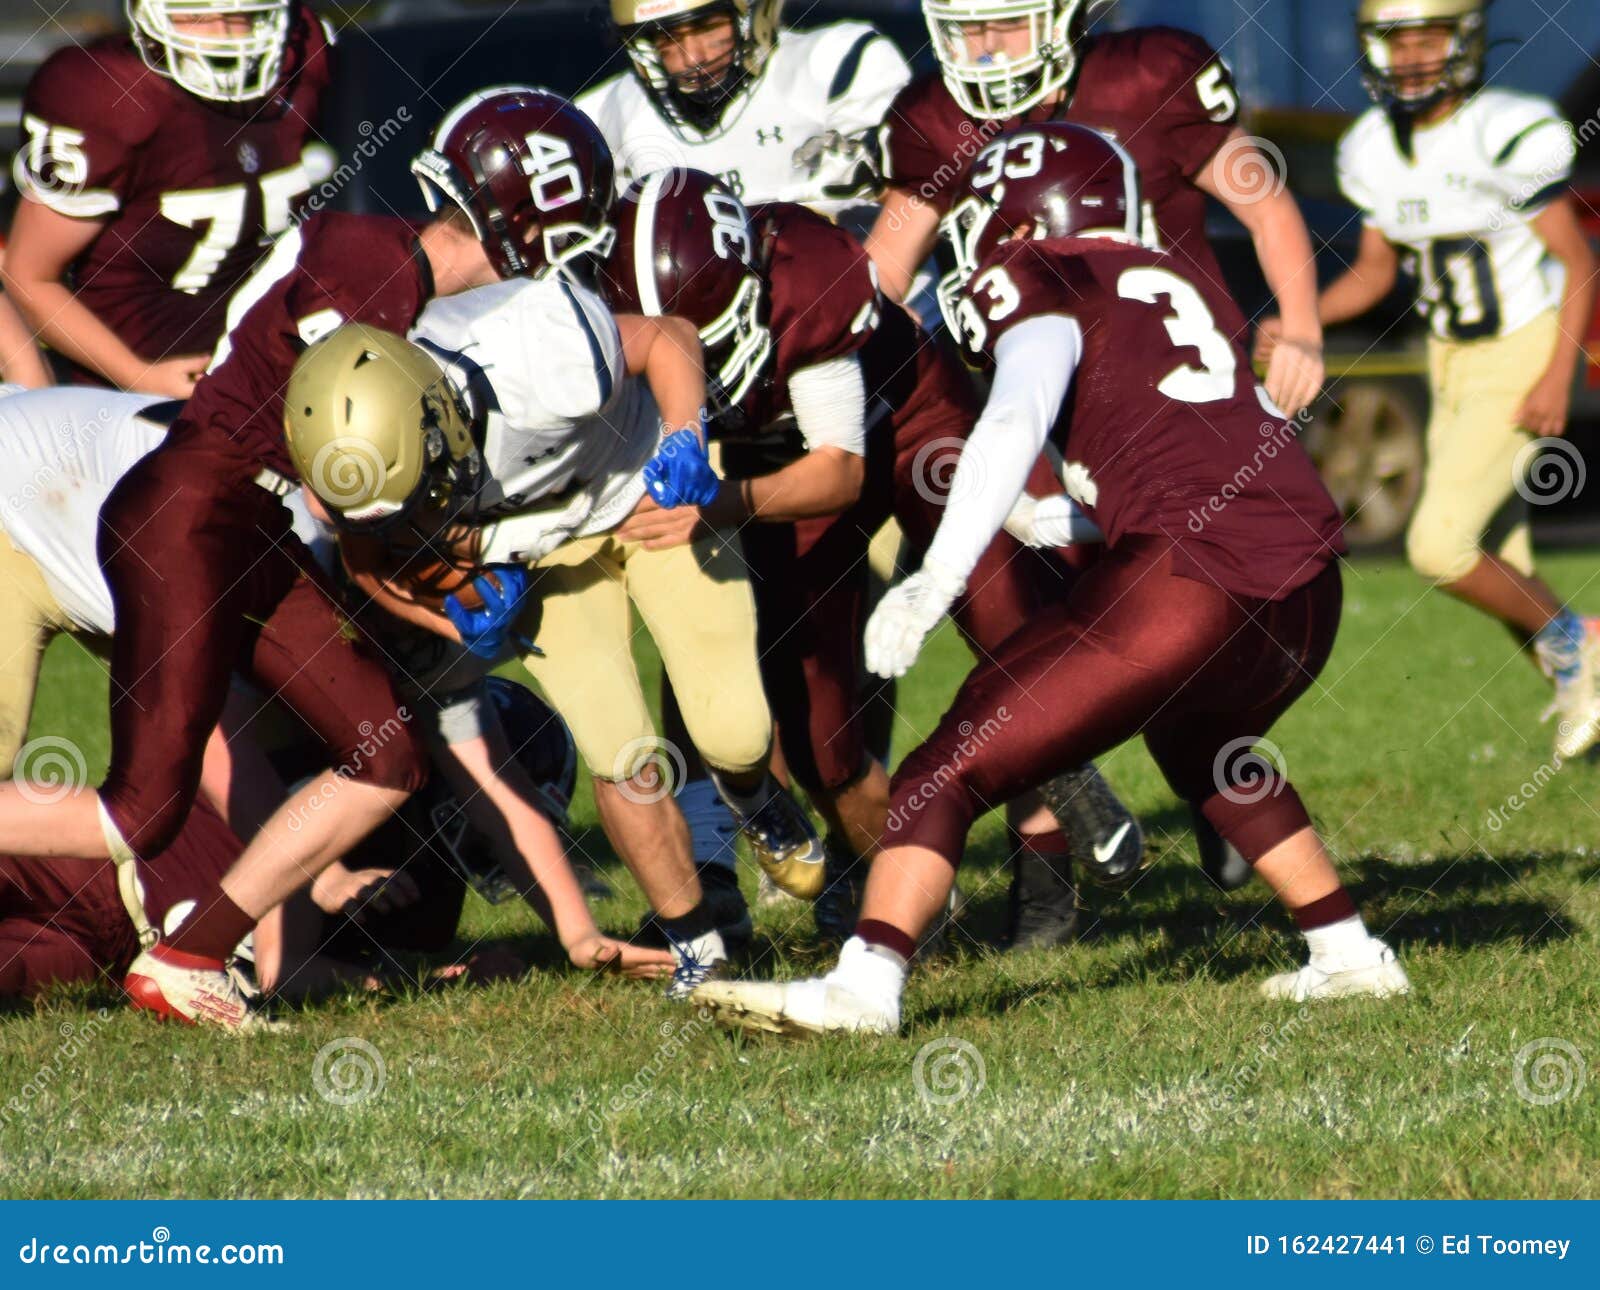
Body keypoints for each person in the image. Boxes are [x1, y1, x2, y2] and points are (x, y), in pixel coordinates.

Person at [693, 124, 1411, 1035]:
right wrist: (1042, 516)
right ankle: (1347, 950)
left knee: (942, 768)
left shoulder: (1046, 273)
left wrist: (935, 577)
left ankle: (860, 988)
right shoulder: (1174, 280)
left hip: (1195, 580)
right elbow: (1212, 451)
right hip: (1310, 587)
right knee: (1201, 745)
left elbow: (1012, 419)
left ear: (1017, 221)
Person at [0, 88, 613, 1031]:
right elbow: (341, 472)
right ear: (523, 225)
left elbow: (342, 507)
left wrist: (429, 609)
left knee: (386, 755)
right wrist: (436, 571)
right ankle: (191, 950)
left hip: (251, 528)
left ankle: (191, 958)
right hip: (191, 517)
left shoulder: (381, 272)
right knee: (138, 815)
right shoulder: (372, 273)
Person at [603, 167, 1141, 948]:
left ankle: (1052, 850)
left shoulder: (807, 276)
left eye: (711, 336)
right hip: (777, 466)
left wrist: (714, 503)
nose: (694, 357)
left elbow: (841, 472)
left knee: (1006, 626)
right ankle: (910, 904)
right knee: (823, 741)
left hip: (910, 424)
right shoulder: (621, 313)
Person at [282, 315, 811, 999]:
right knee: (619, 752)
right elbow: (366, 560)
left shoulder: (529, 348)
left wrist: (685, 431)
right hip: (548, 553)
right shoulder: (355, 452)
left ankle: (752, 793)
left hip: (647, 494)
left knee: (733, 732)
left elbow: (671, 334)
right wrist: (443, 614)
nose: (414, 517)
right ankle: (698, 949)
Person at [1267, 0, 1600, 759]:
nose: (1412, 57)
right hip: (1448, 361)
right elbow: (1376, 274)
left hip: (1519, 351)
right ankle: (1579, 674)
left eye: (1428, 39)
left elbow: (1579, 262)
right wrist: (1301, 321)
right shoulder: (1371, 148)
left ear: (1465, 41)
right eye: (1396, 42)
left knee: (1439, 547)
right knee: (1502, 561)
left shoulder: (1503, 130)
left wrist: (1557, 374)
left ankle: (1581, 642)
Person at [867, 0, 1324, 420]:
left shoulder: (1147, 78)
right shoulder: (936, 119)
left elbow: (1267, 209)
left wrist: (1303, 329)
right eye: (967, 27)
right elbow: (884, 269)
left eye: (1008, 22)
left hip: (1186, 385)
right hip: (1040, 407)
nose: (987, 47)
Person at [3, 0, 334, 396]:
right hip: (122, 400)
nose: (223, 34)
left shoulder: (304, 61)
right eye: (194, 11)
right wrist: (137, 374)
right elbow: (30, 276)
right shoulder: (110, 95)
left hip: (266, 374)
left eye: (239, 11)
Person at [577, 0, 909, 213]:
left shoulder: (835, 62)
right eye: (667, 39)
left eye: (708, 28)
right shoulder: (601, 114)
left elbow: (907, 198)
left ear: (752, 13)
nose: (694, 57)